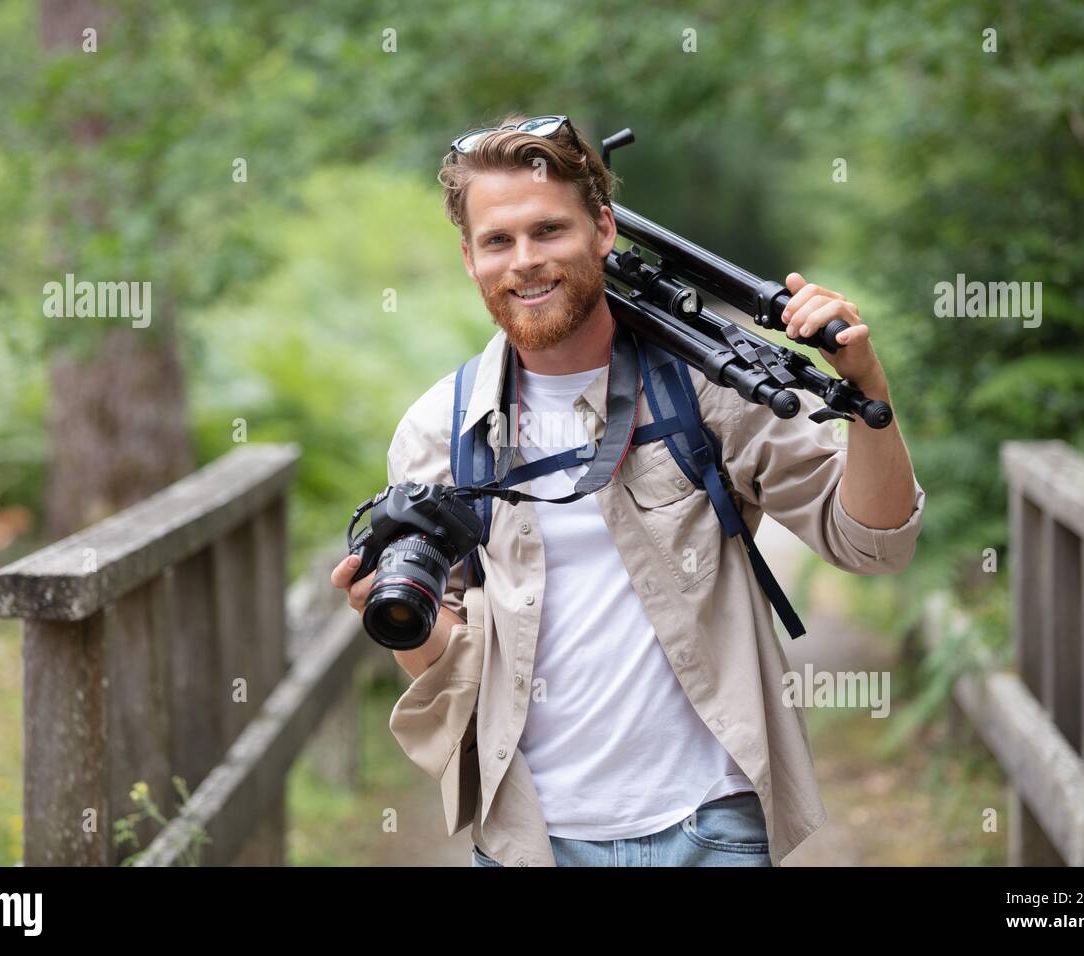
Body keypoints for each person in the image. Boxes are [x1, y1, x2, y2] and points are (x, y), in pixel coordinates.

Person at [330, 112, 926, 867]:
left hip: (711, 823)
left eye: (549, 231)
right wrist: (408, 624)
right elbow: (452, 670)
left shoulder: (707, 389)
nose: (525, 262)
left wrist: (867, 391)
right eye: (498, 241)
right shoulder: (439, 434)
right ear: (469, 257)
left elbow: (874, 543)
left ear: (603, 229)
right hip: (533, 837)